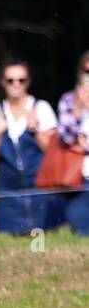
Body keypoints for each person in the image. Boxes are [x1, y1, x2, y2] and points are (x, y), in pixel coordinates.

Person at [0, 59, 58, 234]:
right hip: (9, 193)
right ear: (2, 82)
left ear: (28, 81)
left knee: (46, 242)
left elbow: (52, 151)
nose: (16, 85)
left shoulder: (41, 108)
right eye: (10, 80)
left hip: (41, 189)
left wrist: (35, 131)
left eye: (21, 80)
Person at [54, 50, 89, 235]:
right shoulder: (69, 100)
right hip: (77, 178)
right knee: (82, 233)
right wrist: (78, 108)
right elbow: (66, 138)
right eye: (87, 71)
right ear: (80, 73)